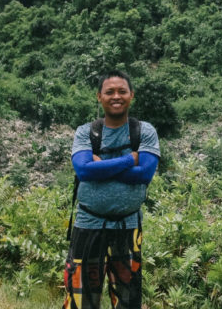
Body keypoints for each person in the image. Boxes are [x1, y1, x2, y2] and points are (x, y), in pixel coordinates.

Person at [63, 70, 160, 309]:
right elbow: (84, 171)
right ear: (99, 96)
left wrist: (100, 166)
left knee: (129, 299)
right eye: (109, 92)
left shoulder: (144, 131)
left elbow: (144, 174)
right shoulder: (86, 132)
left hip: (128, 227)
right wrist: (130, 160)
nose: (116, 96)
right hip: (88, 224)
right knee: (81, 298)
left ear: (131, 95)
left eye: (122, 91)